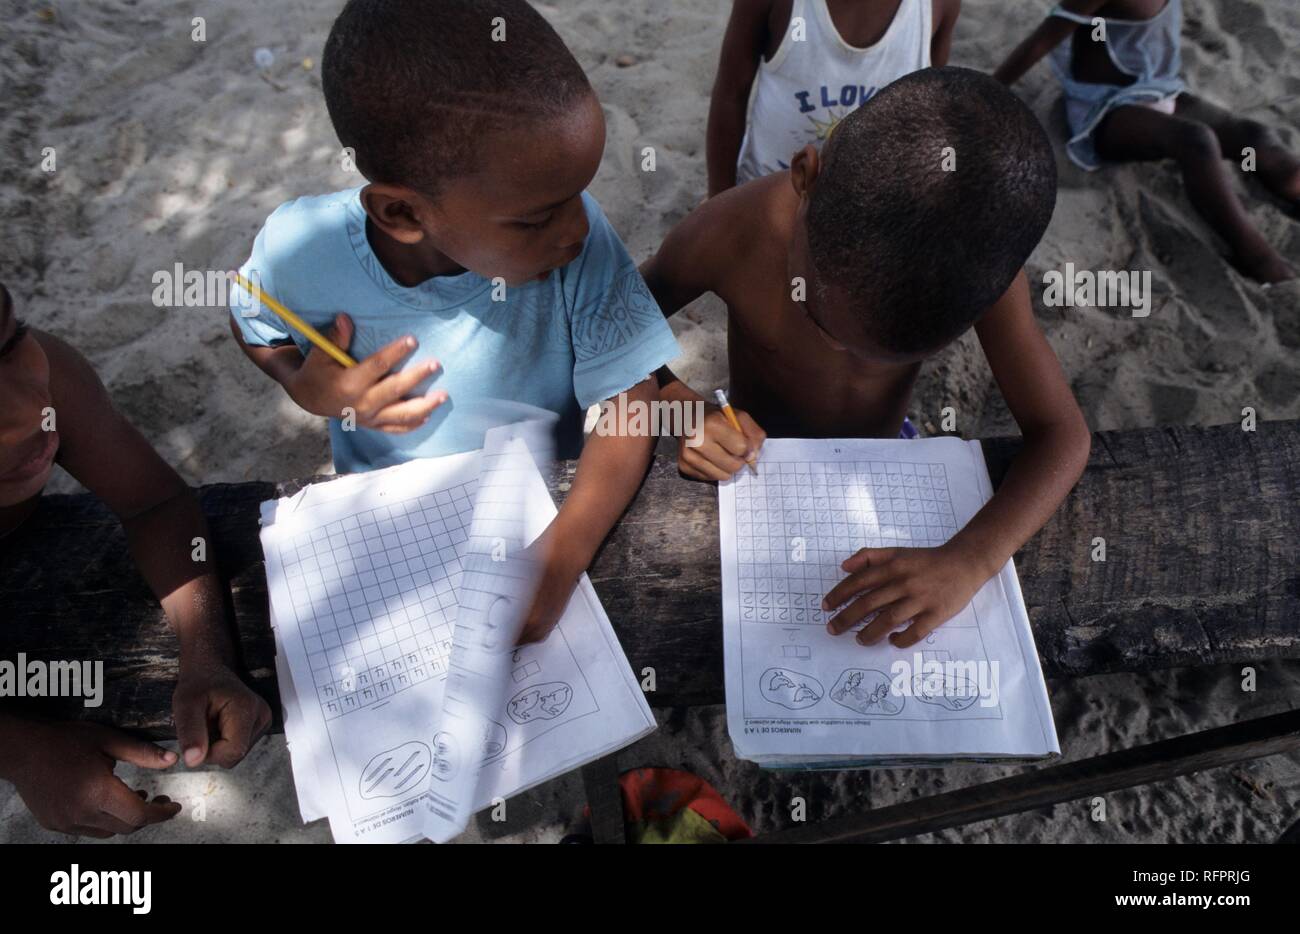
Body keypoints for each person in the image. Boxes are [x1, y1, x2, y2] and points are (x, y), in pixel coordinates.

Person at [228, 0, 683, 643]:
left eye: (579, 195)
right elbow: (250, 316)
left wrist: (560, 557)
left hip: (552, 507)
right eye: (535, 218)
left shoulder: (575, 240)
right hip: (391, 525)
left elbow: (629, 399)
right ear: (402, 215)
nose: (578, 228)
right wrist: (298, 383)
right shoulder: (301, 251)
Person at [645, 67, 1092, 646]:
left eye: (883, 353)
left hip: (884, 464)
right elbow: (617, 323)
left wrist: (970, 561)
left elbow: (1062, 434)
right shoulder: (734, 230)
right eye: (818, 318)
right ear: (805, 177)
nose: (836, 349)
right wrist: (684, 408)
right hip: (743, 463)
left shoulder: (979, 274)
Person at [0, 283, 272, 837]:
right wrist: (21, 751)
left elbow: (155, 504)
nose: (29, 412)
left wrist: (205, 654)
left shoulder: (50, 371)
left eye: (9, 342)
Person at [995, 0, 1298, 282]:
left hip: (1157, 89)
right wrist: (988, 93)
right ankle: (1256, 257)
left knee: (1255, 137)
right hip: (1105, 109)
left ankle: (1291, 186)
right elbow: (1040, 42)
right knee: (1197, 142)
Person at [707, 0, 961, 196]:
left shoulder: (935, 6)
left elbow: (928, 114)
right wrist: (720, 201)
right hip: (768, 200)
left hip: (871, 212)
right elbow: (731, 95)